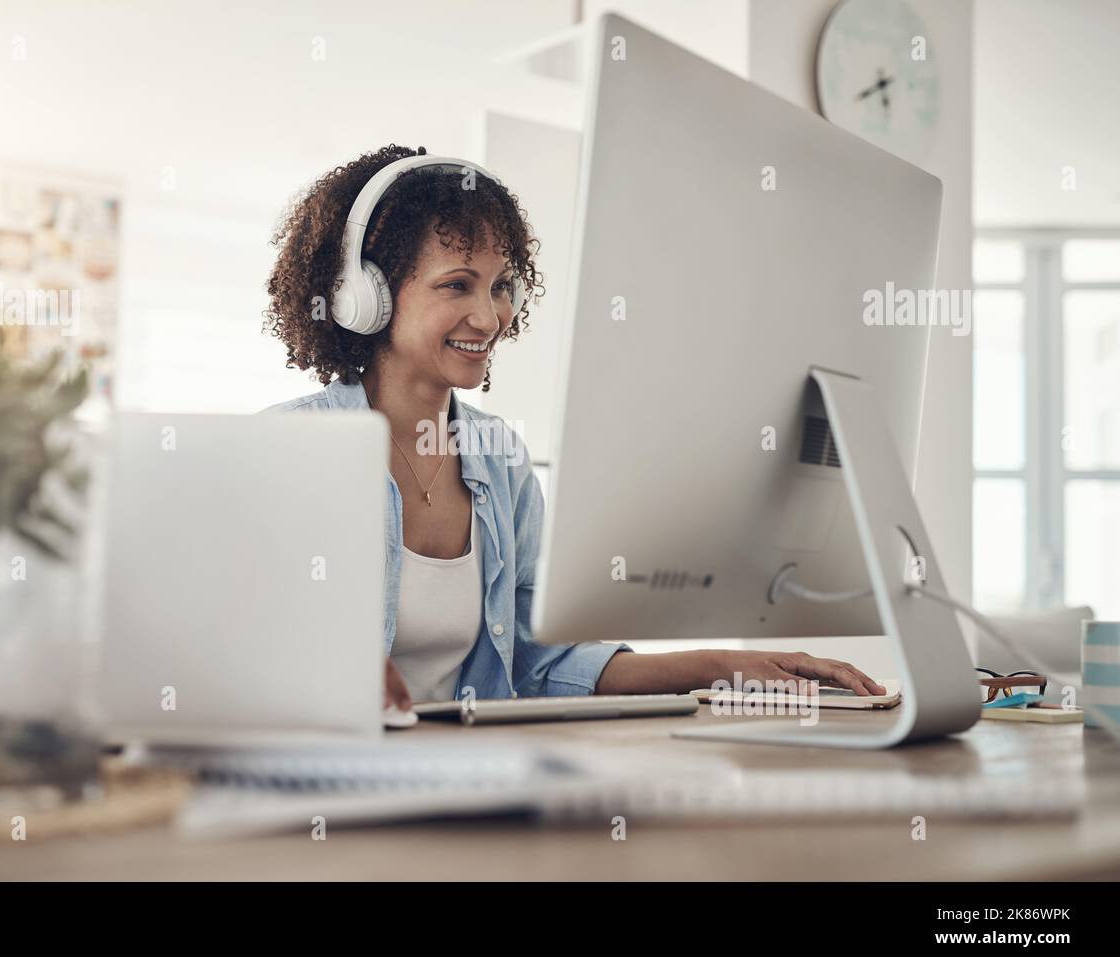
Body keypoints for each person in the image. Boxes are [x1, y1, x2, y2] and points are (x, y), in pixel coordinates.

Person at [260, 144, 885, 712]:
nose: (489, 315)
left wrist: (729, 666)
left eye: (501, 286)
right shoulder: (288, 453)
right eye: (457, 285)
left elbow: (545, 662)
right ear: (364, 297)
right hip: (330, 783)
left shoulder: (497, 457)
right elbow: (230, 643)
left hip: (471, 774)